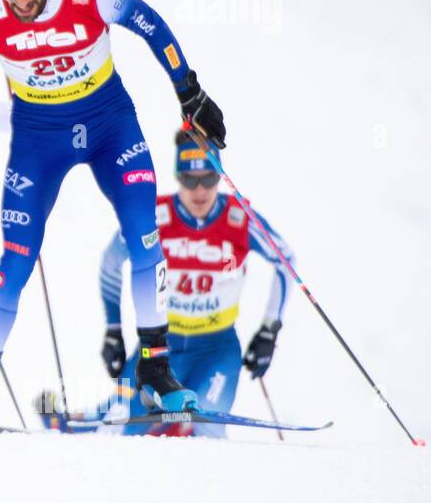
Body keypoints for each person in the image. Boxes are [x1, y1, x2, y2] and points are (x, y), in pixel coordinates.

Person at [0, 0, 228, 424]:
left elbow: (151, 25)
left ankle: (155, 367)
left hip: (109, 125)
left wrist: (189, 92)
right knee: (15, 259)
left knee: (143, 235)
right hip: (39, 138)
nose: (19, 2)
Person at [92, 131, 292, 436]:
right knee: (123, 427)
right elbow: (111, 263)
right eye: (189, 180)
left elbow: (285, 261)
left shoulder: (239, 218)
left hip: (215, 349)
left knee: (206, 430)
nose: (200, 191)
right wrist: (113, 330)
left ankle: (180, 430)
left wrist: (269, 330)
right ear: (177, 177)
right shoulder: (155, 217)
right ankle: (81, 424)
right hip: (158, 350)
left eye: (209, 179)